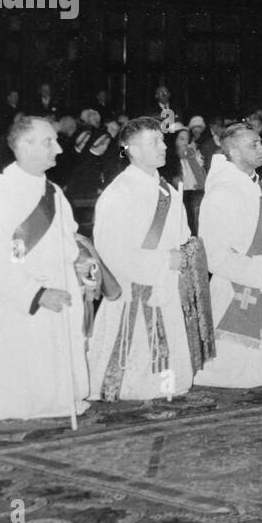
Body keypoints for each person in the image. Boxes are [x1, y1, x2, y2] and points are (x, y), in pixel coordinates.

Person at [0, 116, 91, 420]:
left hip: (60, 293)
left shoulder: (54, 193)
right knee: (19, 396)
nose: (59, 149)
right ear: (24, 145)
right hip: (24, 304)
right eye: (49, 141)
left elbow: (65, 241)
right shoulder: (1, 197)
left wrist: (80, 261)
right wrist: (36, 293)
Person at [87, 118, 195, 401]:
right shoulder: (119, 192)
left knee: (169, 379)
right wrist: (162, 262)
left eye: (162, 140)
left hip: (166, 285)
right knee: (131, 378)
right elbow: (111, 250)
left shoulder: (168, 191)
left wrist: (181, 255)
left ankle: (167, 387)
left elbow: (181, 237)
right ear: (131, 149)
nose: (163, 146)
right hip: (133, 290)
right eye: (154, 142)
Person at [196, 123, 262, 387]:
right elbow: (212, 251)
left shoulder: (258, 186)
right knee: (236, 371)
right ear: (233, 152)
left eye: (261, 142)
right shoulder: (221, 192)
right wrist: (254, 266)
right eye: (253, 145)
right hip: (237, 282)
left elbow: (261, 228)